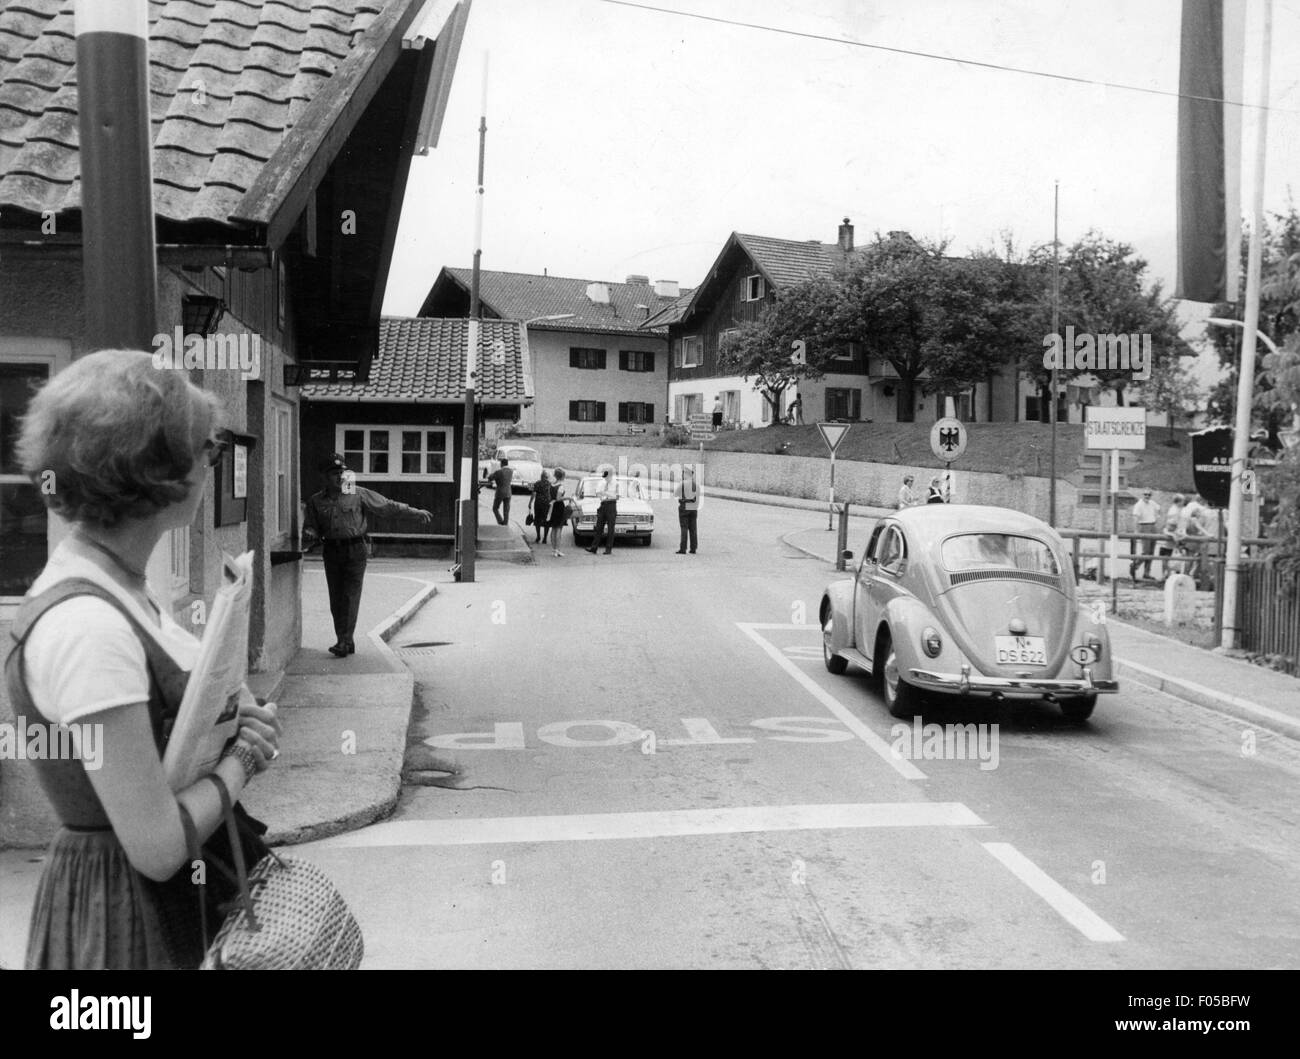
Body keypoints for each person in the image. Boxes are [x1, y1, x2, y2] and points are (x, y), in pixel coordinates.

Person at [5, 349, 282, 969]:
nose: (211, 466)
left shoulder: (116, 585)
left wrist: (231, 718)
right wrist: (242, 761)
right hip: (130, 922)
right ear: (160, 473)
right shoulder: (87, 626)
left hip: (151, 900)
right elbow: (157, 845)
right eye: (205, 450)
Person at [303, 454, 433, 657]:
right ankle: (345, 640)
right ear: (325, 477)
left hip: (355, 550)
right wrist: (310, 531)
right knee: (336, 598)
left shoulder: (357, 494)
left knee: (349, 596)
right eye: (335, 474)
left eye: (342, 473)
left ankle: (344, 641)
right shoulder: (316, 501)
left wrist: (414, 512)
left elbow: (387, 506)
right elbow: (311, 525)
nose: (340, 477)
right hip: (332, 551)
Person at [1129, 489, 1161, 581]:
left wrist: (1157, 517)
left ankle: (1147, 573)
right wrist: (1136, 530)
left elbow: (1159, 508)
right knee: (1145, 551)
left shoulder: (1152, 503)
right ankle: (1135, 565)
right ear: (1142, 495)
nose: (1147, 496)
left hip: (1153, 526)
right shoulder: (1138, 505)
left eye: (1149, 495)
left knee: (1151, 552)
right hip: (1144, 526)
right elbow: (1135, 517)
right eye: (1145, 494)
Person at [586, 468, 618, 555]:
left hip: (611, 505)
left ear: (611, 475)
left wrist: (606, 493)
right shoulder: (602, 482)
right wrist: (603, 494)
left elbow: (616, 496)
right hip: (603, 504)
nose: (605, 479)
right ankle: (594, 547)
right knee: (599, 527)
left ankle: (608, 549)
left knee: (611, 528)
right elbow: (598, 492)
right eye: (604, 477)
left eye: (607, 477)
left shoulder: (615, 483)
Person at [1158, 494, 1186, 574]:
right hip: (1171, 535)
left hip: (1174, 535)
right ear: (1179, 502)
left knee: (1174, 557)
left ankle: (1169, 574)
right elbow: (1171, 524)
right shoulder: (1174, 511)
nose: (1184, 502)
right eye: (1182, 501)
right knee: (1167, 556)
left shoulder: (1178, 509)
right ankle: (1166, 574)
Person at [547, 468, 571, 557]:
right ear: (562, 476)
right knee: (559, 529)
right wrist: (568, 498)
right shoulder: (561, 486)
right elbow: (558, 498)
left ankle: (553, 549)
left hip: (552, 506)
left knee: (553, 528)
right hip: (559, 507)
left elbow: (551, 497)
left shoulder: (552, 485)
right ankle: (557, 550)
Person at [676, 467, 700, 554]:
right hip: (693, 508)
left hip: (684, 508)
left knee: (684, 528)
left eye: (683, 474)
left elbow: (675, 494)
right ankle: (693, 548)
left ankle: (683, 549)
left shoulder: (682, 484)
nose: (682, 475)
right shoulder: (696, 485)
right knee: (693, 528)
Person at [486, 457, 514, 525]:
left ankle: (500, 521)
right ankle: (505, 524)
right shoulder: (511, 471)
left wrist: (490, 475)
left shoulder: (499, 472)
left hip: (500, 492)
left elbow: (490, 478)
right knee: (506, 510)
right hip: (508, 492)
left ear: (502, 464)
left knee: (495, 508)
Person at [531, 469, 553, 544]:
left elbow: (533, 494)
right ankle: (545, 538)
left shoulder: (537, 483)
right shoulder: (550, 484)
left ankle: (538, 537)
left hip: (538, 504)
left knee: (537, 520)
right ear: (547, 477)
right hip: (547, 504)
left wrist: (530, 502)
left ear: (541, 476)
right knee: (546, 520)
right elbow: (552, 494)